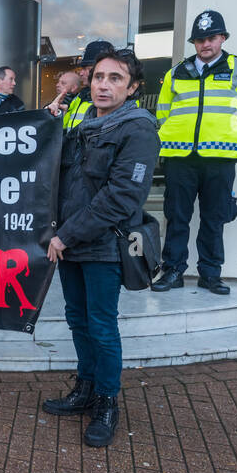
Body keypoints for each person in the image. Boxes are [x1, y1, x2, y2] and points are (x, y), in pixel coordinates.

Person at [42, 48, 159, 448]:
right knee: (78, 319)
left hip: (102, 246)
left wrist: (66, 235)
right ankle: (85, 388)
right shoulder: (86, 121)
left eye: (115, 79)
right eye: (99, 78)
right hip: (71, 243)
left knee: (102, 326)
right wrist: (47, 123)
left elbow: (122, 196)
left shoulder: (139, 129)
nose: (103, 85)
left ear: (133, 87)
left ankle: (107, 402)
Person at [151, 10, 237, 295]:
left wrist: (233, 131)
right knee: (176, 216)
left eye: (211, 38)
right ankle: (173, 270)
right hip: (180, 156)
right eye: (199, 39)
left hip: (220, 156)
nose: (205, 44)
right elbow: (163, 112)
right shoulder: (177, 72)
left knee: (214, 218)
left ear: (222, 38)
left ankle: (210, 274)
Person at [46, 40, 113, 131]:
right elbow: (65, 129)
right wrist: (56, 113)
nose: (81, 73)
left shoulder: (114, 100)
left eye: (86, 69)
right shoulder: (79, 97)